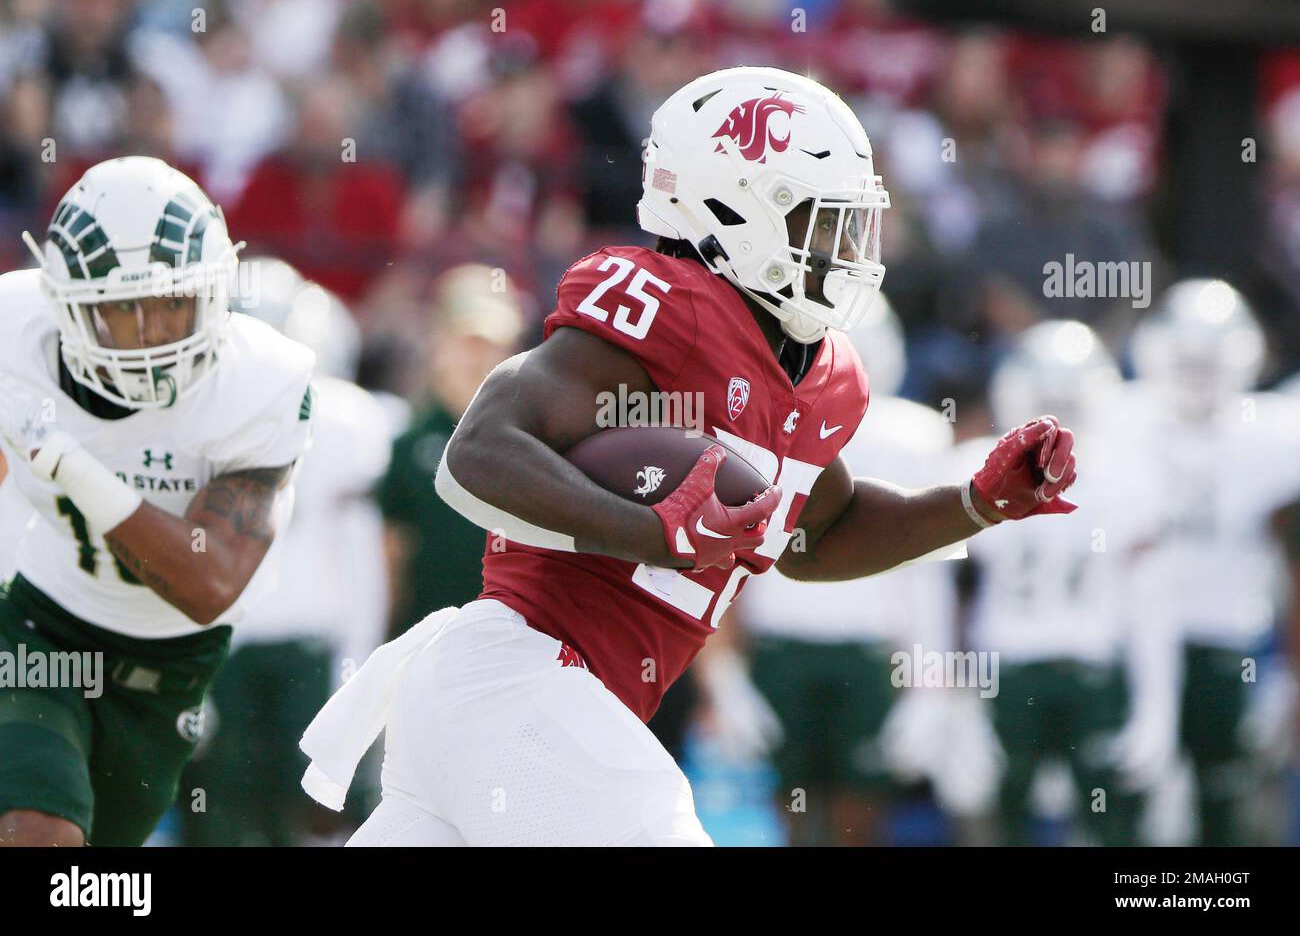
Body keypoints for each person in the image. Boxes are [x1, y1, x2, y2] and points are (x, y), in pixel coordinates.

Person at [301, 67, 1078, 847]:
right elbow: (477, 451)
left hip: (515, 707)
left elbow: (818, 537)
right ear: (733, 208)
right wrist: (649, 529)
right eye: (817, 219)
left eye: (850, 224)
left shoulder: (824, 372)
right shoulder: (667, 305)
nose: (842, 249)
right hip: (521, 682)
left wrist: (976, 505)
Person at [0, 157, 314, 846]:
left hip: (170, 665)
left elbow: (207, 583)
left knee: (97, 881)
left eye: (172, 301)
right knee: (38, 831)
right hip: (37, 626)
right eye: (120, 308)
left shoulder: (263, 379)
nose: (149, 333)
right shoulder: (13, 328)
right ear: (67, 308)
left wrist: (66, 461)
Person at [726, 296, 960, 846]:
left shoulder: (915, 436)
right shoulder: (767, 418)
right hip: (781, 642)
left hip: (868, 647)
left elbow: (927, 570)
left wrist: (931, 687)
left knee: (859, 820)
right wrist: (723, 676)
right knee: (786, 814)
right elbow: (732, 552)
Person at [180, 259, 389, 846]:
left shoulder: (346, 421)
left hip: (308, 647)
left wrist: (357, 665)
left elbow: (360, 554)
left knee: (307, 817)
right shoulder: (191, 422)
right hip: (226, 648)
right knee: (219, 815)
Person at [963, 320, 1175, 846]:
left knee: (1113, 826)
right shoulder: (975, 467)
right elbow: (947, 595)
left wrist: (1158, 706)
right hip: (1006, 671)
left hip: (1092, 668)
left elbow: (1149, 601)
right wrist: (954, 701)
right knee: (1000, 825)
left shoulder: (1130, 477)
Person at [1127, 280, 1300, 845]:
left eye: (1208, 362)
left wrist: (1286, 675)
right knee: (1125, 806)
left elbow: (1293, 560)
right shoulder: (1119, 418)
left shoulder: (1275, 432)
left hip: (1230, 643)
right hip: (1127, 642)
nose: (1196, 377)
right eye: (1186, 361)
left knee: (1225, 808)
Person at [376, 264, 525, 640]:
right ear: (438, 342)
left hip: (512, 647)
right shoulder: (408, 446)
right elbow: (392, 564)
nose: (479, 357)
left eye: (492, 343)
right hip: (426, 645)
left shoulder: (536, 445)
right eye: (468, 341)